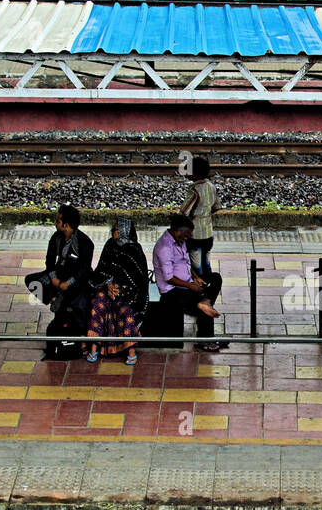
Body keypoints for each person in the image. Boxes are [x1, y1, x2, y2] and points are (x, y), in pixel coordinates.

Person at [153, 213, 225, 352]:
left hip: (187, 282)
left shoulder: (180, 241)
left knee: (215, 278)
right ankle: (205, 340)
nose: (188, 238)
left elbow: (185, 263)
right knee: (202, 303)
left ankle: (205, 302)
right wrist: (191, 286)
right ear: (177, 231)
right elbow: (169, 277)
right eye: (186, 234)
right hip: (172, 291)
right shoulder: (164, 248)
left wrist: (195, 277)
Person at [86, 219, 147, 365]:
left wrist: (120, 289)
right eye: (114, 229)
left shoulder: (135, 250)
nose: (113, 232)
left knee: (126, 311)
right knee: (98, 305)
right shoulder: (110, 246)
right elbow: (101, 270)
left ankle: (131, 350)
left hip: (128, 293)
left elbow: (139, 280)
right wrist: (108, 286)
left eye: (116, 229)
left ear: (125, 231)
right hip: (107, 288)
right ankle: (94, 348)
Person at [27, 205, 94, 314]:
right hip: (60, 273)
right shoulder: (56, 237)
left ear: (66, 225)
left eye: (58, 221)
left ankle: (63, 297)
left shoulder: (85, 243)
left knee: (79, 294)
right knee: (32, 281)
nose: (55, 223)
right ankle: (54, 298)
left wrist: (67, 283)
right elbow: (50, 260)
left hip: (77, 278)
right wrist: (54, 278)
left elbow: (84, 269)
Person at [180, 156, 222, 281]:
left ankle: (199, 286)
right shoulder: (211, 186)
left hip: (194, 235)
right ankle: (208, 283)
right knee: (206, 261)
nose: (186, 174)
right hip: (208, 232)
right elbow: (216, 206)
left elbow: (184, 211)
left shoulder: (194, 190)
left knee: (196, 265)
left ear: (194, 174)